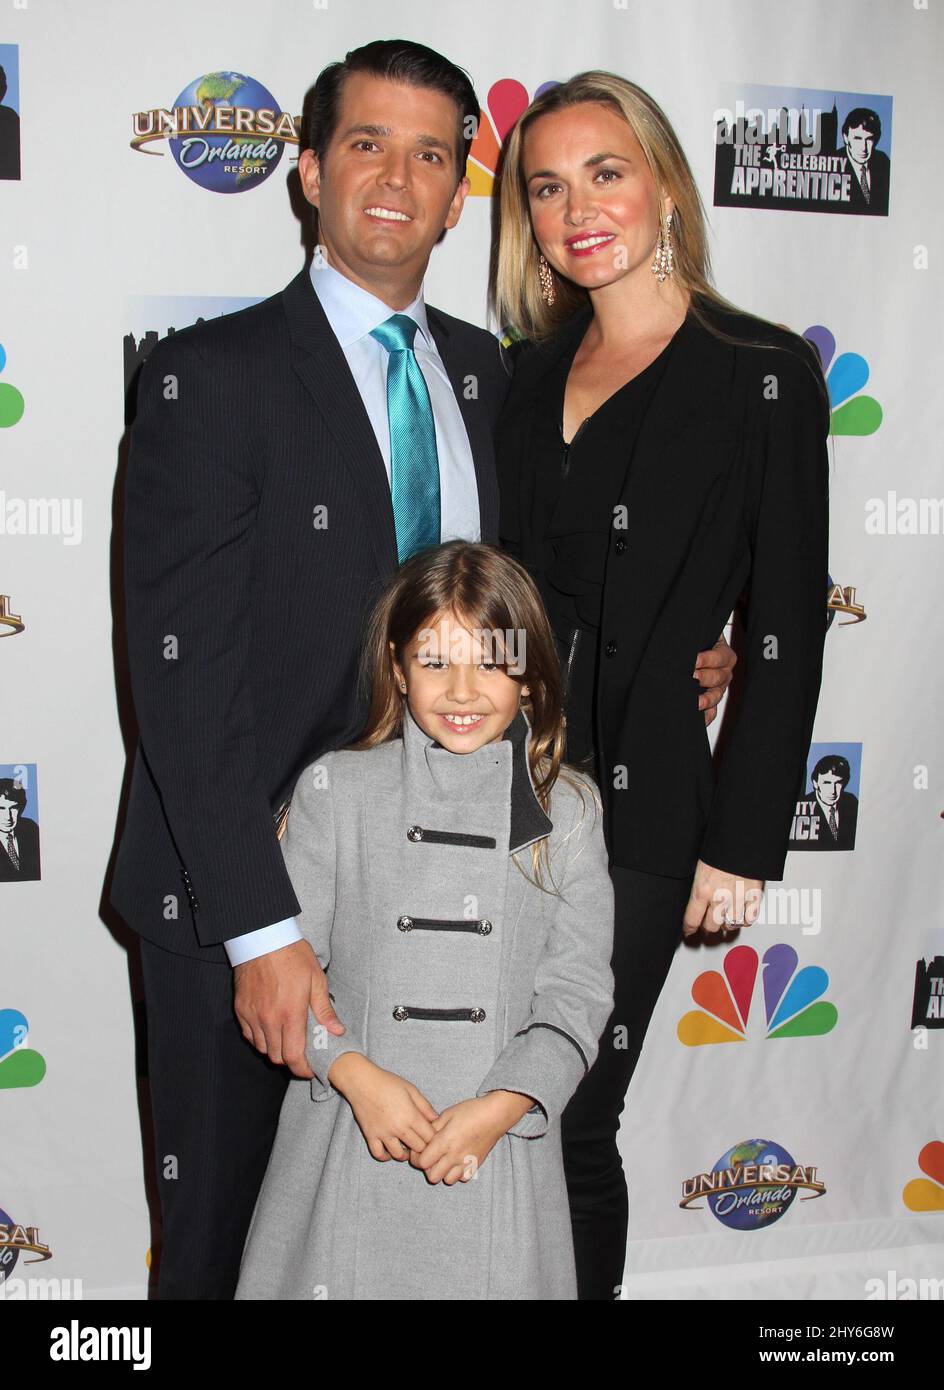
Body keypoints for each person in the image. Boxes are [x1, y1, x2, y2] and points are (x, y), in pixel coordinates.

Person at [109, 39, 732, 1299]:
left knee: (415, 1250)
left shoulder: (489, 373)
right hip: (241, 908)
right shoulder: (205, 376)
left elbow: (517, 607)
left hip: (444, 915)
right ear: (304, 172)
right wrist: (265, 932)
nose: (398, 177)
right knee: (228, 1253)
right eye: (365, 144)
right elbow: (178, 679)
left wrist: (665, 660)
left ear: (462, 195)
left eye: (433, 154)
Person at [492, 70, 831, 1299]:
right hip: (493, 793)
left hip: (641, 812)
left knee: (570, 1116)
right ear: (523, 217)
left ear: (663, 185)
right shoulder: (521, 374)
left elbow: (786, 622)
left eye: (605, 171)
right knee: (491, 1099)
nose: (577, 206)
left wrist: (738, 843)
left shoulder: (759, 372)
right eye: (546, 184)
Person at [235, 540, 615, 1300]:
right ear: (398, 668)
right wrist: (354, 1074)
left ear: (531, 678)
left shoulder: (566, 811)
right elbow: (287, 984)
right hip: (350, 1134)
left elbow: (577, 995)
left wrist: (502, 1107)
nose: (462, 689)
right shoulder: (335, 791)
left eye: (490, 661)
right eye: (435, 661)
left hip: (497, 1146)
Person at [836, 108, 890, 216]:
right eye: (857, 138)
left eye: (869, 139)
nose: (863, 148)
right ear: (846, 138)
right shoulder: (833, 162)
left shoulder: (883, 161)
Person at [805, 753, 858, 850]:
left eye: (838, 783)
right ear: (815, 783)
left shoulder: (852, 802)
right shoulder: (804, 806)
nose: (832, 791)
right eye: (827, 783)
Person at [0, 779, 41, 881]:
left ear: (21, 808)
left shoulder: (31, 828)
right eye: (1, 808)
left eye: (13, 808)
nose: (7, 817)